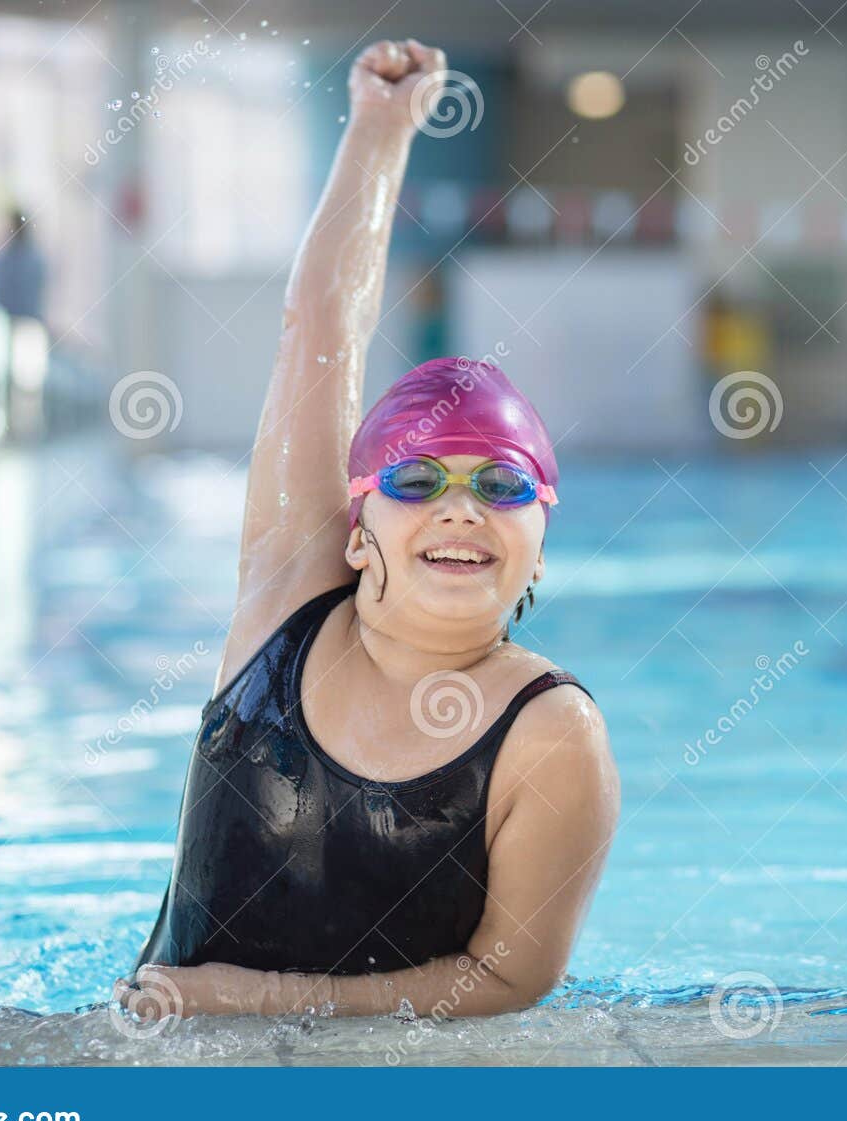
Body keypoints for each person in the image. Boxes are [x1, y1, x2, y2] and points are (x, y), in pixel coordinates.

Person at [115, 39, 620, 1021]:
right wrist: (381, 130)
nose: (461, 506)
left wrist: (251, 1001)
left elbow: (506, 979)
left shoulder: (552, 735)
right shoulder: (285, 600)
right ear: (356, 531)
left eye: (503, 484)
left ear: (540, 540)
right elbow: (318, 328)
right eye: (419, 478)